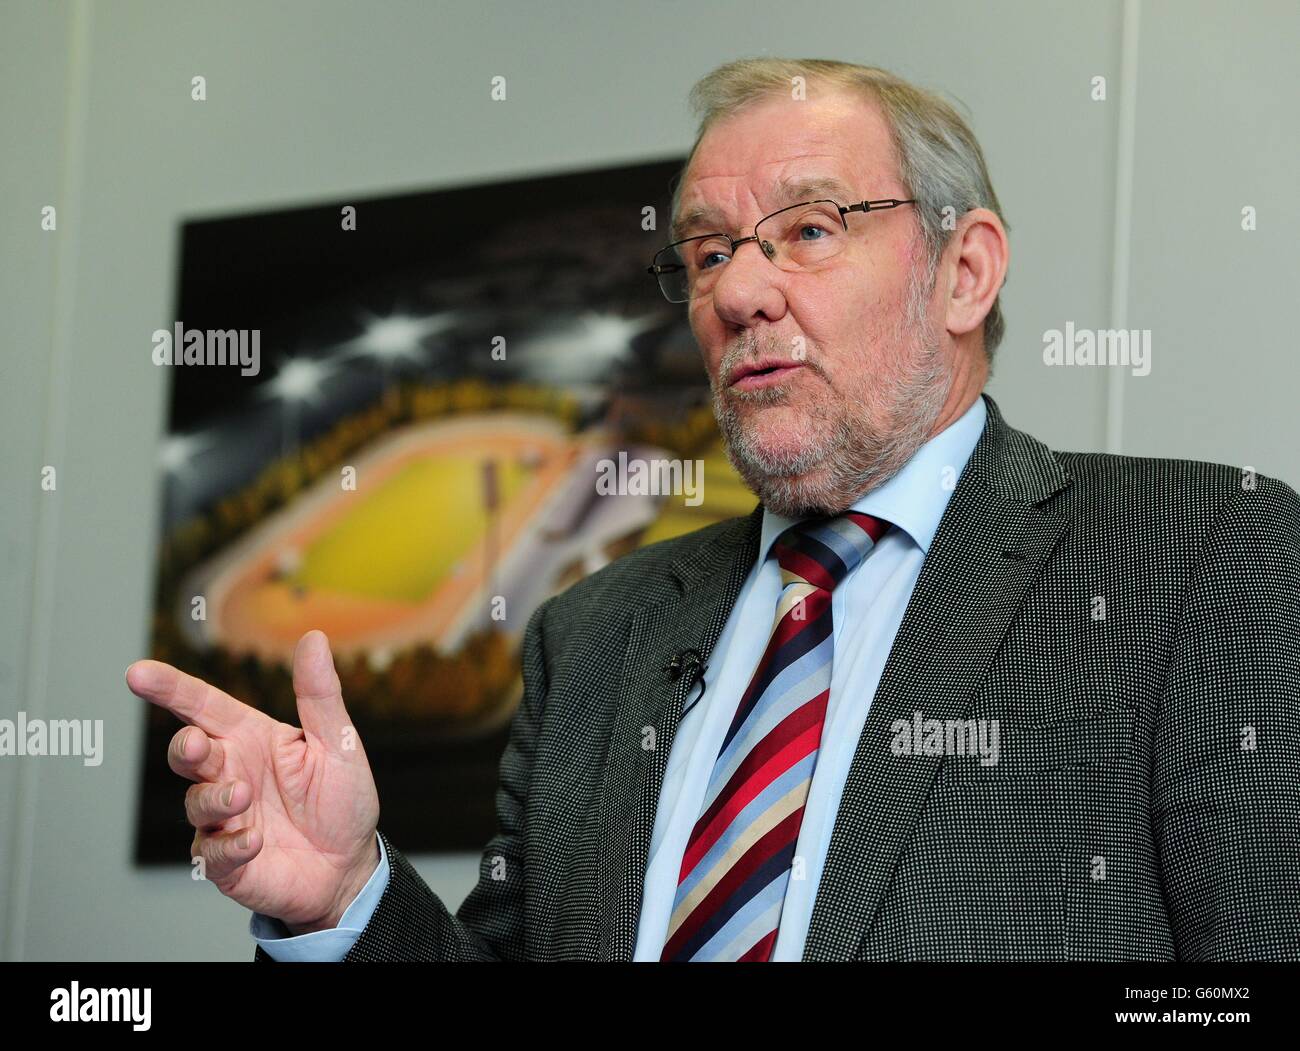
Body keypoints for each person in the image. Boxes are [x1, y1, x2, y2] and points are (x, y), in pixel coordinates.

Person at [126, 57, 1300, 961]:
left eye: (808, 229)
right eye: (703, 252)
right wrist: (344, 895)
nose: (737, 290)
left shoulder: (1197, 558)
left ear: (964, 271)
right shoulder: (592, 639)